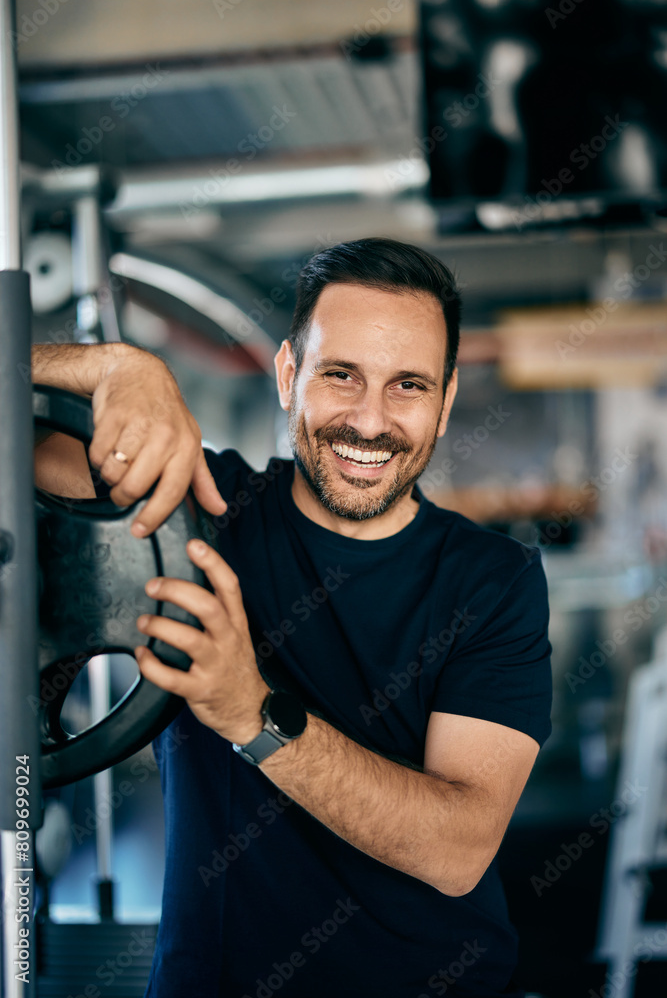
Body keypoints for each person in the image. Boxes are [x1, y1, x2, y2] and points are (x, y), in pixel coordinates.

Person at [32, 237, 552, 998]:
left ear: (442, 408)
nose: (369, 422)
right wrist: (112, 368)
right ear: (287, 374)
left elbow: (457, 847)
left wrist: (251, 713)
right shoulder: (192, 507)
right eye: (341, 375)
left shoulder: (492, 580)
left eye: (406, 386)